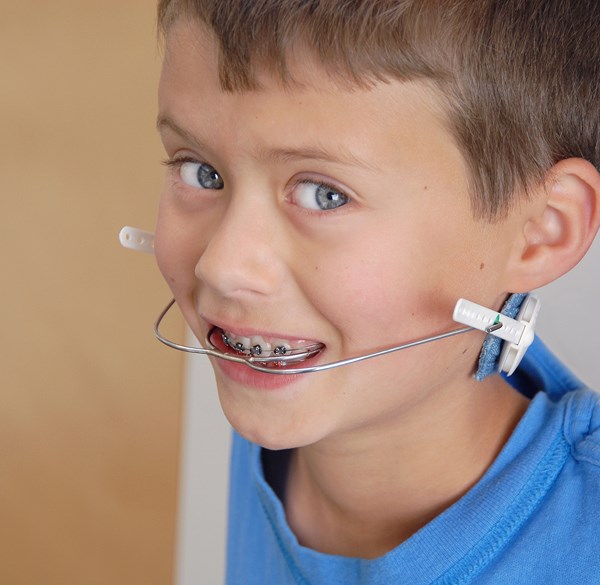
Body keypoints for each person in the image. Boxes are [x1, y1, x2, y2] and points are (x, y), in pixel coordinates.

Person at [152, 1, 600, 582]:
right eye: (201, 172)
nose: (221, 266)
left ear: (540, 230)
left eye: (325, 195)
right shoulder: (286, 396)